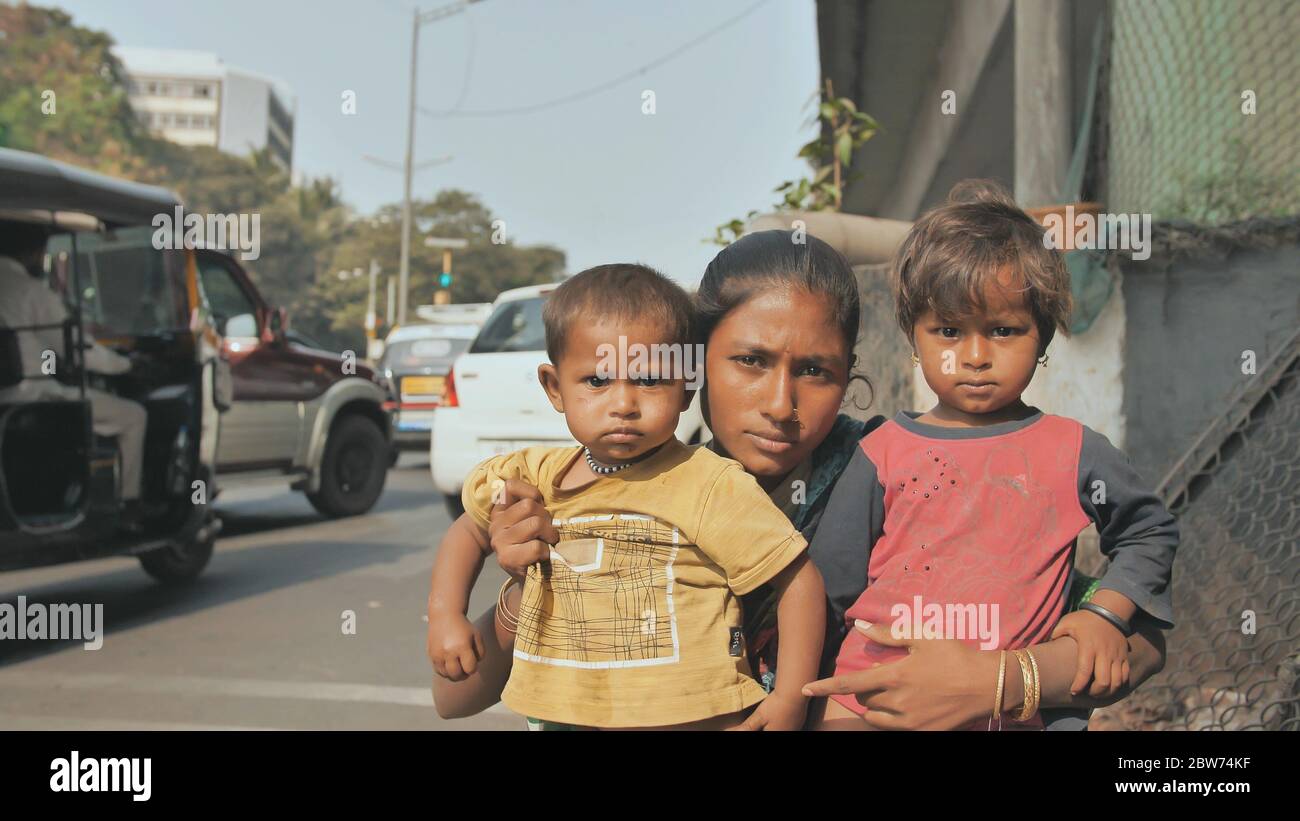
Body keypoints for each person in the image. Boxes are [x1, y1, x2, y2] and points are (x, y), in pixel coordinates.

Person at [429, 228, 1170, 730]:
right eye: (750, 361)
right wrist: (521, 586)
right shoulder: (607, 491)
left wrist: (1006, 681)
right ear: (692, 368)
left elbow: (1138, 648)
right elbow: (456, 696)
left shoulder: (903, 475)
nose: (780, 405)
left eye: (813, 371)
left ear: (851, 376)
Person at [804, 180, 1178, 729]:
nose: (975, 357)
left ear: (1043, 337)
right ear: (914, 336)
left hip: (1009, 708)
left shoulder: (1072, 450)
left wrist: (1104, 614)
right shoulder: (880, 453)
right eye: (949, 331)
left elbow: (1148, 532)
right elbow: (830, 591)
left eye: (1003, 330)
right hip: (874, 697)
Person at [426, 263, 826, 730]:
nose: (623, 404)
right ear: (555, 388)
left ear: (685, 390)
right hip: (563, 716)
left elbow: (798, 581)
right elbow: (469, 529)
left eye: (650, 380)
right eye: (598, 381)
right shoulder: (529, 476)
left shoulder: (708, 483)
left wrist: (789, 699)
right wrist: (445, 614)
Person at [0, 223, 148, 529]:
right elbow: (79, 352)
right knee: (134, 416)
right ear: (35, 251)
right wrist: (126, 366)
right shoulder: (30, 291)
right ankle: (127, 506)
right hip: (33, 397)